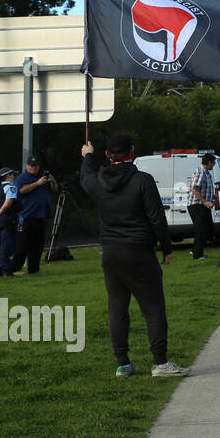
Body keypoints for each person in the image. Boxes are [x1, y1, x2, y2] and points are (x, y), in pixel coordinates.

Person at [80, 134, 188, 377]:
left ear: (107, 155)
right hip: (139, 251)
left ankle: (123, 364)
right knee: (153, 308)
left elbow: (84, 177)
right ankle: (160, 363)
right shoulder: (142, 180)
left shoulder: (97, 181)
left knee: (117, 309)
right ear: (132, 151)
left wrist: (87, 156)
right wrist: (167, 247)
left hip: (110, 253)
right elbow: (156, 217)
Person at [11, 156, 55, 276]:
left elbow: (54, 189)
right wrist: (37, 183)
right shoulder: (22, 178)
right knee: (23, 244)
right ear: (27, 166)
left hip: (42, 215)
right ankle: (15, 269)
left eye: (36, 165)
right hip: (27, 216)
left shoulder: (43, 177)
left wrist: (52, 181)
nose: (34, 167)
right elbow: (21, 190)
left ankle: (34, 269)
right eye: (31, 165)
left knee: (38, 244)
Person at [186, 153, 218, 261]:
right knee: (201, 229)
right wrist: (205, 201)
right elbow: (194, 189)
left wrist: (214, 197)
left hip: (202, 205)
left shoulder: (207, 173)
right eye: (213, 163)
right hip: (196, 205)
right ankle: (197, 254)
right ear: (209, 162)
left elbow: (205, 190)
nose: (214, 165)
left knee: (207, 229)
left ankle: (196, 250)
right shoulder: (200, 171)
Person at [0, 167, 19, 276]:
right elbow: (8, 203)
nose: (13, 176)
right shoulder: (11, 187)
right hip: (8, 220)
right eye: (12, 174)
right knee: (7, 246)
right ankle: (7, 269)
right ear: (8, 175)